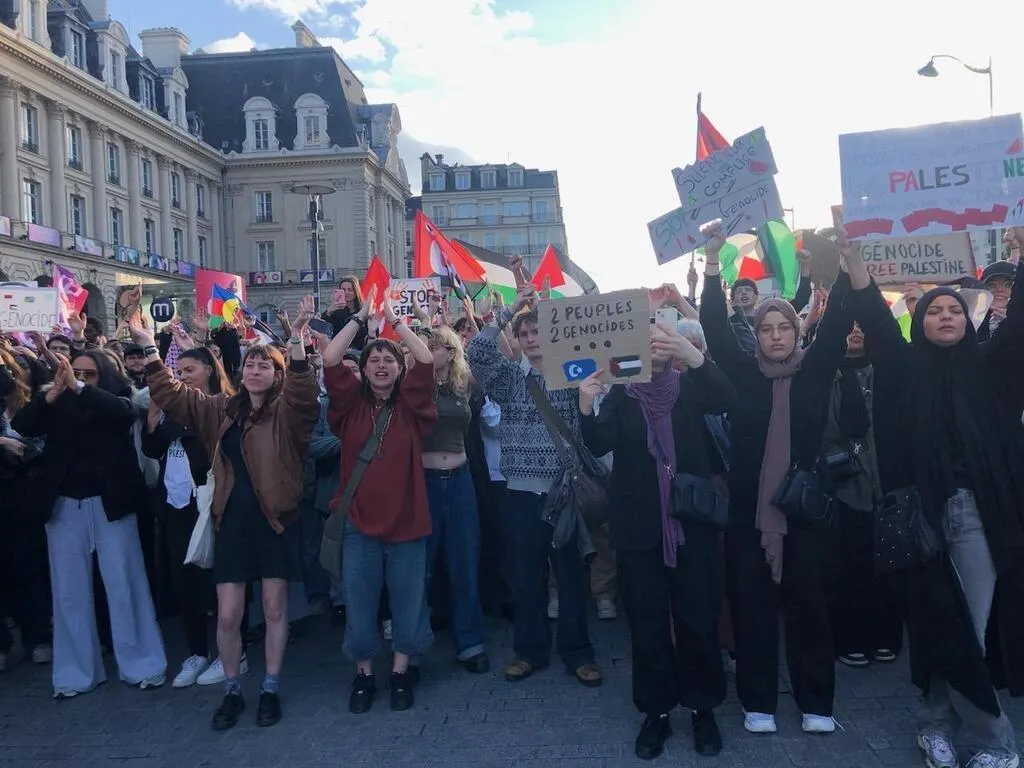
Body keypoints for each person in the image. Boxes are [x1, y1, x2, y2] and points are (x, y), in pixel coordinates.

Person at [844, 226, 1024, 768]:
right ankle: (937, 729)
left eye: (952, 310)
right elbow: (874, 317)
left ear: (967, 320)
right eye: (932, 311)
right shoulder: (903, 369)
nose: (944, 316)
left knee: (964, 624)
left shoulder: (992, 367)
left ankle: (994, 743)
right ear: (919, 324)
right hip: (917, 516)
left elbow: (1019, 329)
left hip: (975, 513)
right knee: (934, 623)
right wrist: (856, 267)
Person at [698, 221, 868, 735]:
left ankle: (816, 702)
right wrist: (711, 261)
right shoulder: (743, 373)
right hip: (751, 512)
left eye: (784, 329)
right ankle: (758, 702)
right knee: (753, 607)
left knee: (809, 606)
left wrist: (841, 263)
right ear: (759, 335)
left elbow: (839, 321)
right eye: (768, 328)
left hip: (806, 508)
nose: (775, 336)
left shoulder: (815, 372)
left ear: (797, 333)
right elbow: (711, 324)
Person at [137, 298, 320, 731]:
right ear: (240, 374)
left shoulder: (288, 413)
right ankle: (233, 689)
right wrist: (148, 347)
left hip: (275, 521)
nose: (255, 371)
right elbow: (172, 394)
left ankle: (271, 685)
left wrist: (294, 338)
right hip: (232, 523)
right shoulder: (221, 410)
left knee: (275, 612)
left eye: (265, 366)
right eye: (250, 365)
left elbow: (303, 389)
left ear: (275, 375)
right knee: (227, 615)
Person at [579, 321, 735, 759]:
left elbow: (727, 397)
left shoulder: (690, 386)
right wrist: (587, 403)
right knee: (647, 627)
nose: (653, 349)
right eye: (645, 343)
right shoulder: (623, 395)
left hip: (692, 527)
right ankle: (657, 713)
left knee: (697, 621)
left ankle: (703, 710)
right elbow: (598, 440)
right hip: (638, 530)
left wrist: (692, 350)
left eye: (660, 342)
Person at [467, 284, 602, 689]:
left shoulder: (573, 370)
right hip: (521, 491)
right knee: (526, 575)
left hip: (563, 490)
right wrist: (510, 311)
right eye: (524, 334)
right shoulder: (509, 379)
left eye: (538, 331)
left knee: (570, 575)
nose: (531, 339)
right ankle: (529, 651)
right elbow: (476, 353)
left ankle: (578, 653)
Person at [13, 353, 166, 699]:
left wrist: (81, 387)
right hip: (64, 504)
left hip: (112, 503)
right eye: (76, 371)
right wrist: (48, 397)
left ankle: (141, 663)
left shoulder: (113, 399)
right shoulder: (53, 402)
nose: (79, 377)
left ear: (103, 375)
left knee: (124, 583)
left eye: (89, 373)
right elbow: (22, 426)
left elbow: (124, 413)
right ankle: (75, 673)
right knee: (68, 593)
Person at [322, 288, 437, 714]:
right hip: (357, 523)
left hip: (408, 520)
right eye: (374, 359)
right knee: (361, 600)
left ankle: (403, 670)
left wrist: (395, 320)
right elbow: (330, 360)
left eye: (389, 358)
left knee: (409, 599)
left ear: (398, 368)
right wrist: (359, 318)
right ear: (364, 369)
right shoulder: (350, 406)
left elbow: (425, 360)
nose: (383, 364)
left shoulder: (412, 404)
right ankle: (365, 672)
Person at [141, 347, 234, 688]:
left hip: (208, 506)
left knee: (217, 583)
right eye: (178, 369)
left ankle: (230, 652)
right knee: (184, 581)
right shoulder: (168, 410)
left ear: (210, 370)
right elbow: (152, 449)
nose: (182, 375)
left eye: (189, 369)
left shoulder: (220, 405)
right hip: (174, 506)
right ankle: (196, 651)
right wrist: (154, 420)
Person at [821, 322, 904, 668]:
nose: (855, 332)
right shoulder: (827, 376)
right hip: (847, 487)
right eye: (847, 326)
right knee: (851, 565)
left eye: (861, 326)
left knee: (889, 564)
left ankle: (886, 636)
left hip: (888, 483)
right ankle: (851, 637)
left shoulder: (886, 372)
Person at [422, 325, 489, 673]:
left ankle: (470, 641)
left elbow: (494, 358)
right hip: (426, 482)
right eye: (425, 345)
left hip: (461, 480)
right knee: (422, 566)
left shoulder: (465, 384)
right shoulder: (416, 385)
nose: (428, 350)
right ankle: (414, 644)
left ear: (450, 351)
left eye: (435, 346)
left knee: (465, 562)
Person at [323, 276, 368, 348]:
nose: (346, 292)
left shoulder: (364, 311)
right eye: (343, 290)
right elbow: (324, 331)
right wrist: (328, 312)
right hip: (338, 351)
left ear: (356, 291)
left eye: (350, 290)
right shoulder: (335, 312)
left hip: (360, 351)